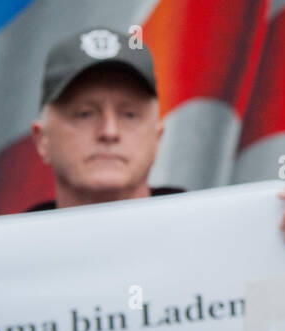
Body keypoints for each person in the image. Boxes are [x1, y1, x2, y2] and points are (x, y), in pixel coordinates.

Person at [27, 27, 183, 210]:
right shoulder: (9, 239)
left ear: (158, 138)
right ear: (42, 140)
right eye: (84, 114)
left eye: (129, 114)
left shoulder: (211, 233)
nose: (109, 132)